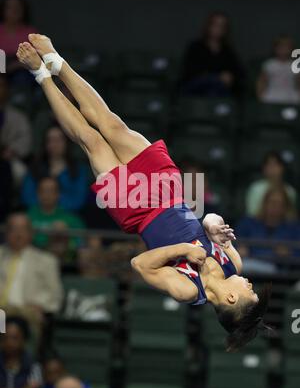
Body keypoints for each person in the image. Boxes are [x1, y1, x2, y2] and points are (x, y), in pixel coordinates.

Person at [16, 34, 271, 352]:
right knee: (112, 125)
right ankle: (56, 61)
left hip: (138, 210)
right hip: (172, 193)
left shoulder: (187, 291)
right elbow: (213, 220)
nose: (250, 284)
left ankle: (40, 75)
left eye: (251, 292)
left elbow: (139, 264)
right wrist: (213, 225)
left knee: (90, 140)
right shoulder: (234, 264)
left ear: (232, 299)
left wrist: (182, 249)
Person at [0, 213, 63, 340]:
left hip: (27, 311)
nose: (18, 234)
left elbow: (55, 295)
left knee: (23, 324)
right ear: (6, 233)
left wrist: (41, 304)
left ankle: (27, 359)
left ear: (31, 233)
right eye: (13, 229)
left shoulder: (46, 261)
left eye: (23, 229)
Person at [21, 126, 89, 211]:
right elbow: (27, 197)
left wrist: (52, 204)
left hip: (68, 217)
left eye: (59, 140)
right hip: (38, 215)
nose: (55, 144)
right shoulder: (35, 168)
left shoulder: (78, 169)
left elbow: (79, 200)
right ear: (45, 144)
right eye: (50, 140)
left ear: (67, 142)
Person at [180, 12, 243, 97]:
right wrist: (216, 77)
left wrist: (229, 77)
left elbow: (237, 72)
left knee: (219, 90)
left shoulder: (227, 50)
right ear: (208, 26)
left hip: (220, 89)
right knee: (213, 84)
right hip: (196, 87)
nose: (218, 29)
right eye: (216, 25)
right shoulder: (195, 47)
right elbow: (190, 71)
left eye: (222, 26)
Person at [27, 176, 85, 263]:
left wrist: (66, 235)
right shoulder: (27, 217)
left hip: (65, 261)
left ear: (58, 194)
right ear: (37, 194)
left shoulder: (70, 218)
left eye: (51, 191)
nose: (47, 195)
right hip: (34, 259)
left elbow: (81, 241)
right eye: (43, 191)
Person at [237, 186, 299, 260]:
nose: (275, 207)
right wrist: (239, 249)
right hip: (249, 266)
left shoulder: (293, 228)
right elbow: (231, 243)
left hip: (279, 269)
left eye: (279, 203)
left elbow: (297, 253)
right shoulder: (248, 223)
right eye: (272, 202)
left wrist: (289, 253)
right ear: (265, 203)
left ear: (285, 207)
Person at [0, 316, 42, 388]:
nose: (9, 343)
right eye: (6, 338)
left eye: (14, 338)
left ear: (24, 339)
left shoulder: (33, 365)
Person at [0, 75, 32, 184]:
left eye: (2, 85)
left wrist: (12, 150)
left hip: (10, 158)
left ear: (7, 89)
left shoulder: (18, 116)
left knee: (21, 172)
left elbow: (25, 140)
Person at [245, 151, 297, 217]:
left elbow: (291, 216)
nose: (272, 168)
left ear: (282, 168)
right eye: (269, 165)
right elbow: (251, 215)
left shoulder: (290, 191)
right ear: (264, 168)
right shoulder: (255, 189)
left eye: (276, 165)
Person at [0, 0, 36, 85]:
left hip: (22, 72)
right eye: (10, 7)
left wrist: (17, 65)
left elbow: (35, 60)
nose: (14, 10)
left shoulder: (30, 33)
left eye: (18, 7)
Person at [256, 35, 300, 104]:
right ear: (275, 49)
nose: (283, 50)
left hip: (290, 93)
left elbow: (298, 81)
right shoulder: (269, 64)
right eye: (280, 48)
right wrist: (260, 94)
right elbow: (262, 81)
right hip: (273, 92)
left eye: (286, 48)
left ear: (291, 49)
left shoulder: (295, 64)